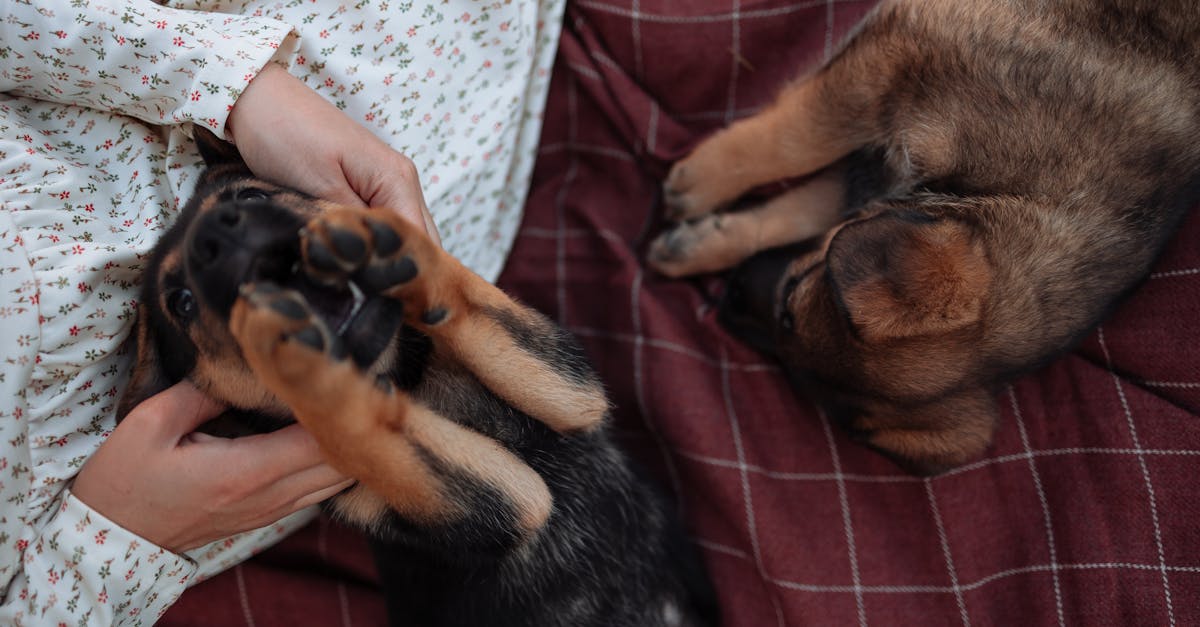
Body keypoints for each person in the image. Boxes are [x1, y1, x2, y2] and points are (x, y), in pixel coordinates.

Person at [0, 0, 563, 624]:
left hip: (274, 104)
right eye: (180, 299)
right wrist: (109, 548)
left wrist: (231, 81)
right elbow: (520, 506)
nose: (214, 238)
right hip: (205, 486)